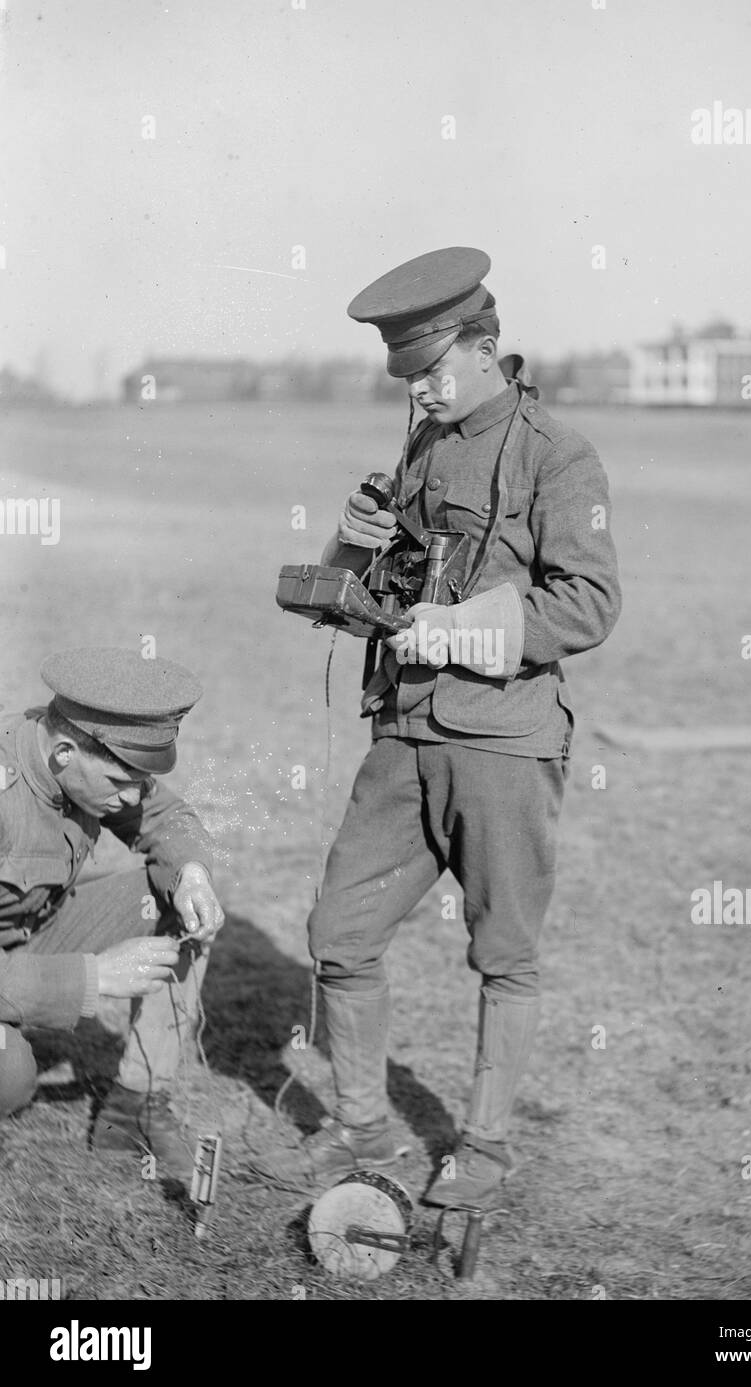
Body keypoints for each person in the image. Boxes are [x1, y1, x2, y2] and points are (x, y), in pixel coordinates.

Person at [256, 246, 621, 1206]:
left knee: (503, 958)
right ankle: (363, 1128)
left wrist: (460, 629)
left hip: (503, 742)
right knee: (340, 931)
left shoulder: (557, 454)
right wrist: (354, 543)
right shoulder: (424, 444)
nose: (418, 393)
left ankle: (485, 1156)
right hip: (406, 734)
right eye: (409, 378)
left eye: (431, 371)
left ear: (485, 346)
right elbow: (393, 589)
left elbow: (587, 606)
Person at [0, 647, 224, 1185]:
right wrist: (94, 979)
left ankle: (136, 1102)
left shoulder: (96, 766)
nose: (131, 800)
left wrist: (193, 873)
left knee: (180, 892)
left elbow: (167, 819)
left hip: (32, 934)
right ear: (63, 752)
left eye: (138, 781)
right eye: (120, 782)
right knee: (8, 1078)